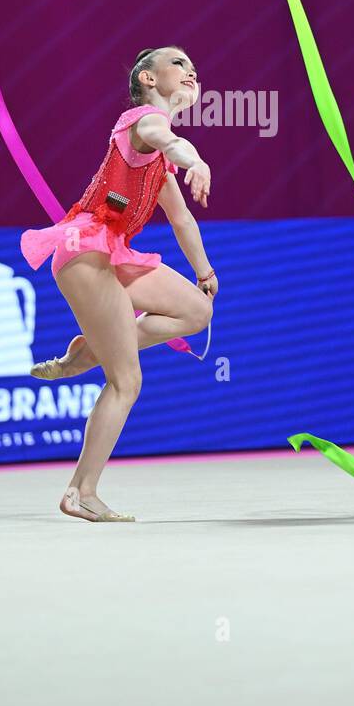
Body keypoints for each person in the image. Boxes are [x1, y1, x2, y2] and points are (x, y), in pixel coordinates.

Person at [20, 47, 217, 522]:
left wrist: (205, 272)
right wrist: (195, 159)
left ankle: (89, 352)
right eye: (178, 63)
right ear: (148, 78)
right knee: (126, 380)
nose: (191, 69)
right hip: (86, 250)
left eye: (193, 63)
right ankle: (81, 491)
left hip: (113, 253)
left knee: (195, 310)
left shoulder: (160, 157)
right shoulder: (142, 122)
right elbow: (168, 140)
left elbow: (183, 219)